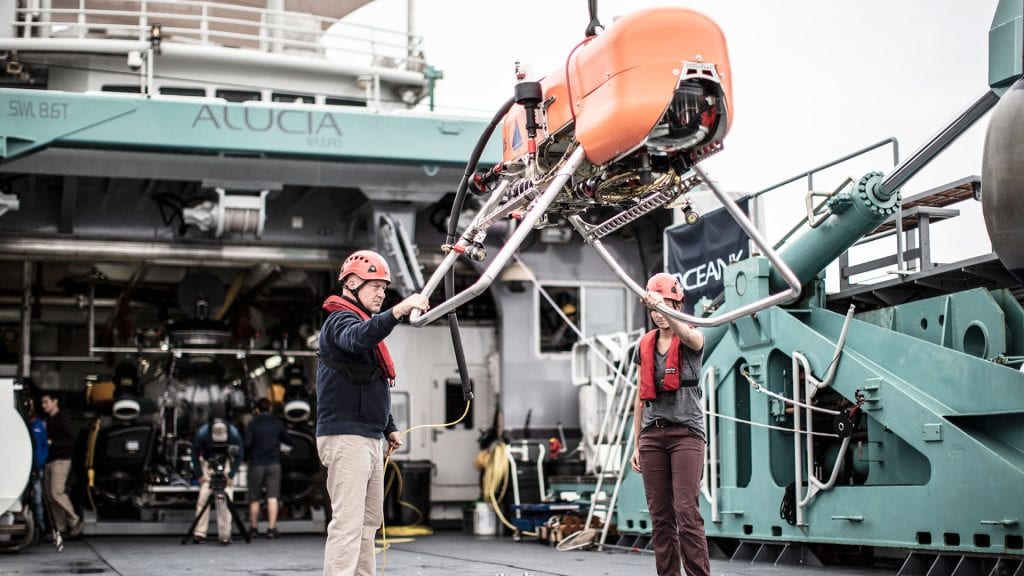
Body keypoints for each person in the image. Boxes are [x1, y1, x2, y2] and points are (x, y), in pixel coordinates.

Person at [316, 249, 428, 576]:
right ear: (351, 283)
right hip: (346, 438)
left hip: (368, 436)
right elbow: (355, 339)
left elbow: (370, 380)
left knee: (367, 524)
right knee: (348, 524)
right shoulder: (340, 320)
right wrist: (398, 311)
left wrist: (388, 426)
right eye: (375, 286)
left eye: (384, 288)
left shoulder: (363, 324)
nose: (381, 293)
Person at [630, 273, 710, 576]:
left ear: (678, 305)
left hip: (686, 434)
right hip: (652, 437)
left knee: (686, 513)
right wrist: (636, 443)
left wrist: (661, 305)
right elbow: (639, 397)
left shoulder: (693, 337)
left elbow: (689, 336)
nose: (659, 313)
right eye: (655, 308)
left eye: (667, 305)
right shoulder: (644, 345)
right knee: (660, 518)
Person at [244, 397, 293, 539]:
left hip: (256, 464)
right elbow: (289, 441)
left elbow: (246, 444)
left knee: (254, 497)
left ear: (257, 410)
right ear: (270, 408)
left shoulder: (253, 424)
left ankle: (253, 528)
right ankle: (271, 529)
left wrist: (247, 457)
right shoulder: (277, 423)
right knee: (272, 497)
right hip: (273, 463)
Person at [191, 418, 244, 545]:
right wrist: (200, 475)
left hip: (225, 464)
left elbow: (240, 455)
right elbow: (194, 454)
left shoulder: (233, 433)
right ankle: (199, 533)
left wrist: (231, 475)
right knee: (203, 499)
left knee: (226, 499)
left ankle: (225, 534)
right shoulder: (202, 433)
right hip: (208, 464)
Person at [40, 392, 83, 539]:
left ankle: (75, 520)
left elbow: (71, 439)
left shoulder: (62, 418)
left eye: (46, 402)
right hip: (49, 461)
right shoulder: (48, 420)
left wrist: (52, 443)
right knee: (50, 497)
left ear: (55, 402)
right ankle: (60, 527)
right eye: (42, 403)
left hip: (61, 460)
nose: (43, 405)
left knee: (56, 493)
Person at [27, 398, 50, 540]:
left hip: (37, 467)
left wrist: (40, 462)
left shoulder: (39, 425)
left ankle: (41, 529)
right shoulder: (23, 424)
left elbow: (44, 445)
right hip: (23, 468)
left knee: (37, 499)